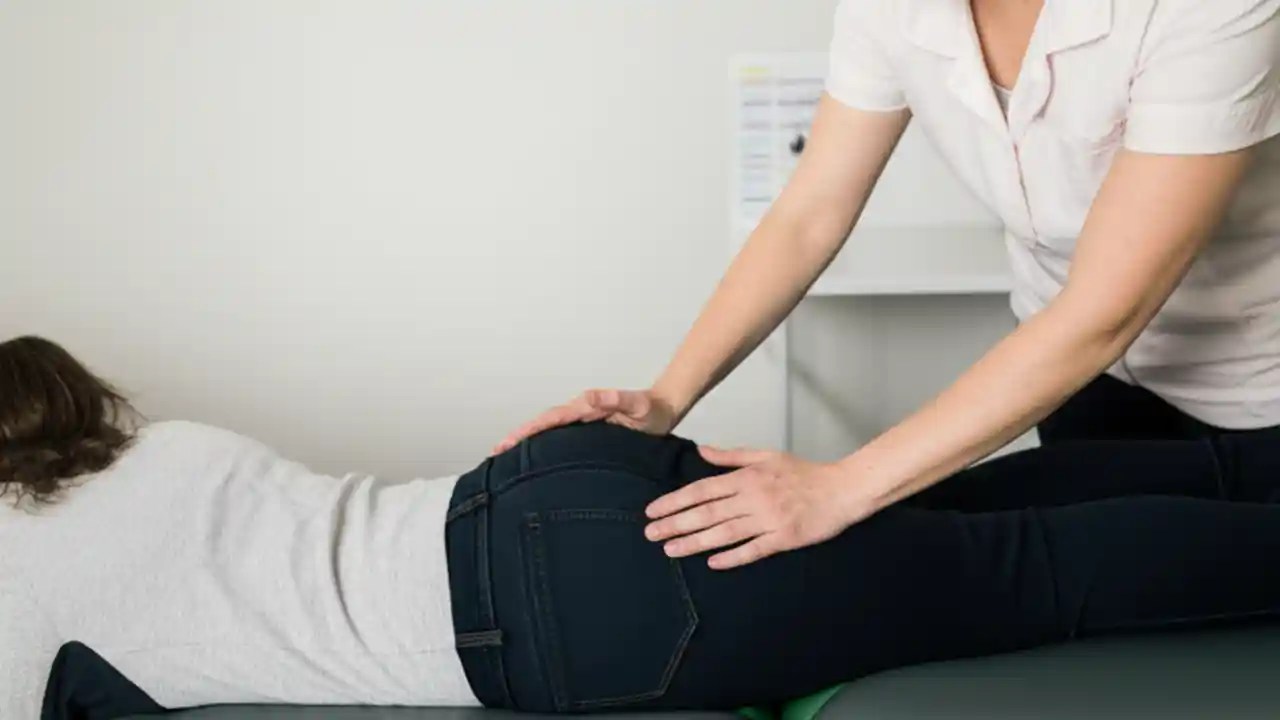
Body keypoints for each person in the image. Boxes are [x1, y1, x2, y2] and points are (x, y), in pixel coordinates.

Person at [7, 336, 1280, 720]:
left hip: (575, 615)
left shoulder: (23, 576)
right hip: (537, 486)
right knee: (960, 499)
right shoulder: (163, 452)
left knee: (1022, 569)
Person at [496, 0, 1280, 571]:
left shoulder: (1209, 9)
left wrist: (843, 487)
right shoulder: (893, 7)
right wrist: (667, 399)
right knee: (1114, 624)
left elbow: (1103, 310)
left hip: (1257, 388)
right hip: (1079, 380)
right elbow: (810, 213)